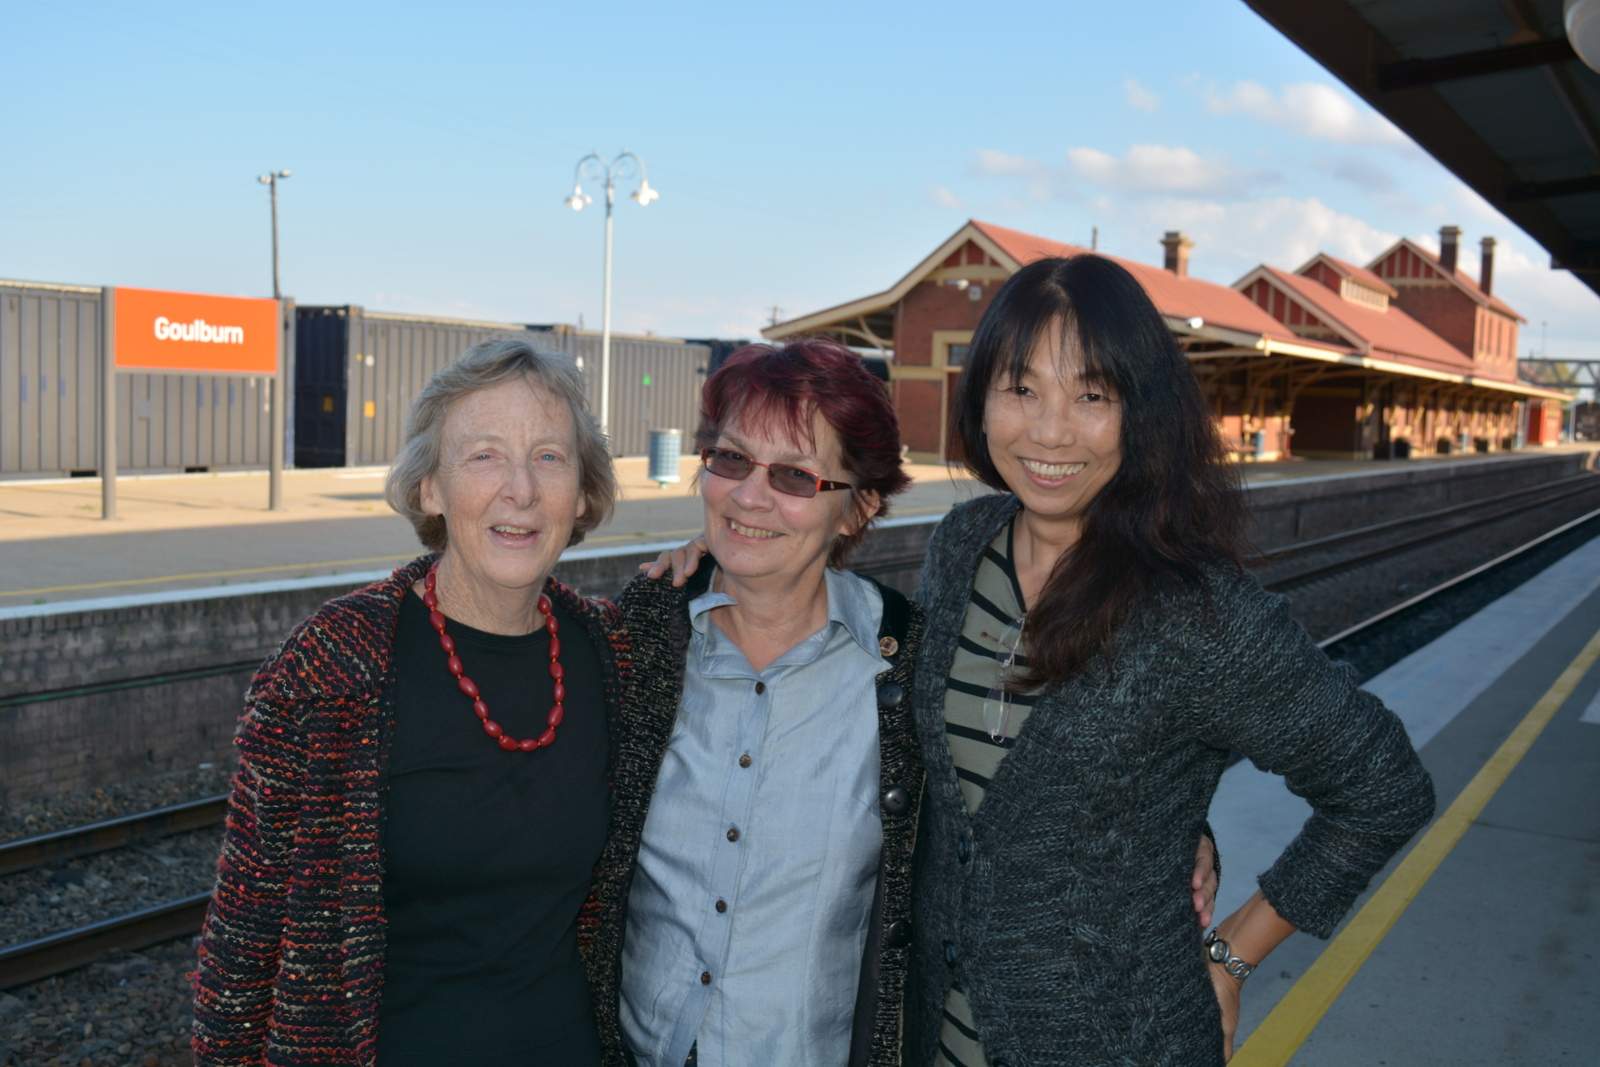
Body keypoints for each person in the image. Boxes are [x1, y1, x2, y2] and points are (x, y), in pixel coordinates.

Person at [903, 255, 1437, 1066]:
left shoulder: (1196, 611)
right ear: (980, 397)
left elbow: (1384, 786)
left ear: (1141, 411)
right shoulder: (959, 547)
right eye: (1021, 388)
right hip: (933, 1036)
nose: (1049, 431)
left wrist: (1232, 954)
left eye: (1091, 395)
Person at [191, 339, 627, 1066]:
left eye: (549, 456)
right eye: (484, 455)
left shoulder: (615, 657)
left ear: (582, 494)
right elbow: (245, 938)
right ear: (430, 489)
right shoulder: (332, 667)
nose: (520, 489)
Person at [582, 339, 923, 1067]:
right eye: (732, 459)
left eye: (795, 475)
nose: (748, 496)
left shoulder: (907, 668)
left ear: (858, 508)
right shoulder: (642, 638)